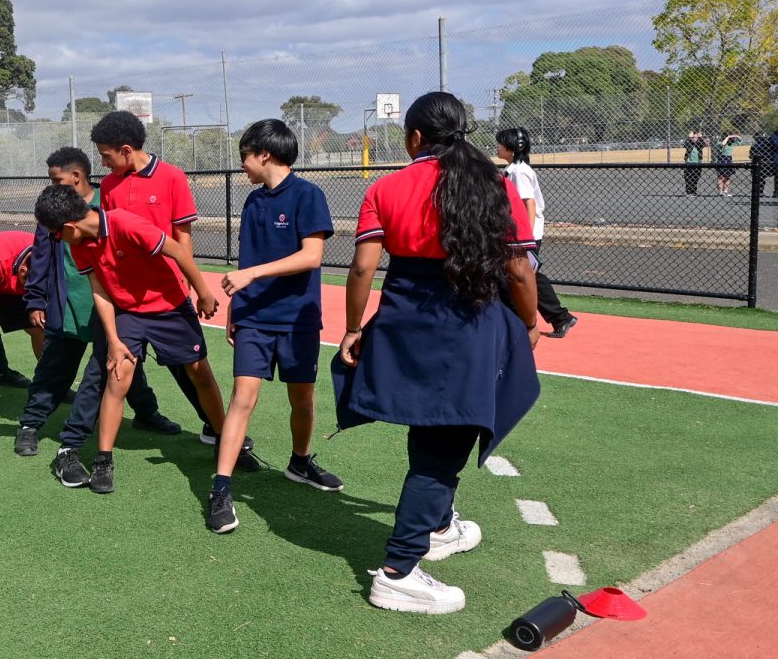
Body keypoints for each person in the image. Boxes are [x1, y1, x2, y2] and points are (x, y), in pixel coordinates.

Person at [337, 91, 540, 616]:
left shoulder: (385, 187)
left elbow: (362, 270)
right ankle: (399, 571)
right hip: (469, 323)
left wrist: (353, 328)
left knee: (430, 428)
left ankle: (442, 527)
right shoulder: (493, 183)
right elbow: (518, 269)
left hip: (406, 322)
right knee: (442, 445)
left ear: (415, 138)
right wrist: (531, 322)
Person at [32, 185, 226, 495]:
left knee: (198, 373)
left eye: (55, 234)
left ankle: (227, 443)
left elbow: (177, 250)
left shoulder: (125, 224)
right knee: (117, 374)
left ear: (69, 226)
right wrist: (113, 338)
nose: (55, 240)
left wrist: (203, 293)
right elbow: (100, 290)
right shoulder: (80, 243)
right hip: (128, 313)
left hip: (170, 306)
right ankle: (104, 460)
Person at [210, 120, 339, 535]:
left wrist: (251, 277)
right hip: (254, 319)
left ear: (263, 154)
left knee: (302, 399)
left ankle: (300, 462)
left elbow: (312, 256)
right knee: (242, 399)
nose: (243, 166)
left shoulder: (308, 195)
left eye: (244, 157)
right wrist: (236, 305)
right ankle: (221, 488)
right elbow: (247, 262)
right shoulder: (251, 202)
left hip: (298, 319)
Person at [16, 147, 185, 459]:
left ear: (77, 176)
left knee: (117, 367)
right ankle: (30, 424)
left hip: (108, 306)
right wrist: (36, 299)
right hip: (67, 307)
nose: (52, 185)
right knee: (53, 370)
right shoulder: (52, 214)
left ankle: (147, 413)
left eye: (57, 179)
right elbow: (39, 258)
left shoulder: (105, 205)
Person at [87, 110, 223, 445]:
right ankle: (105, 453)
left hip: (169, 296)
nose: (102, 163)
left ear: (126, 150)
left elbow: (183, 237)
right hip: (128, 301)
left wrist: (191, 284)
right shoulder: (108, 185)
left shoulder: (172, 177)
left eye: (106, 155)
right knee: (117, 371)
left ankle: (225, 435)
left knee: (195, 370)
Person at [497, 128, 577, 338]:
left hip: (526, 234)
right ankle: (560, 317)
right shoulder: (514, 169)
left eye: (501, 144)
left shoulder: (518, 171)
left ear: (511, 148)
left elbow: (528, 204)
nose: (497, 147)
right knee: (525, 275)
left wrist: (527, 237)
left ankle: (558, 317)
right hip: (522, 233)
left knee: (522, 275)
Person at [683, 131, 705, 196]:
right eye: (693, 137)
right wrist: (689, 137)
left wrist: (700, 137)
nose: (695, 139)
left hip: (698, 163)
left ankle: (694, 192)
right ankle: (689, 192)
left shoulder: (699, 144)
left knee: (695, 178)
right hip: (689, 163)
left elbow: (703, 144)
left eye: (696, 137)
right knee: (688, 178)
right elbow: (685, 144)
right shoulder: (689, 144)